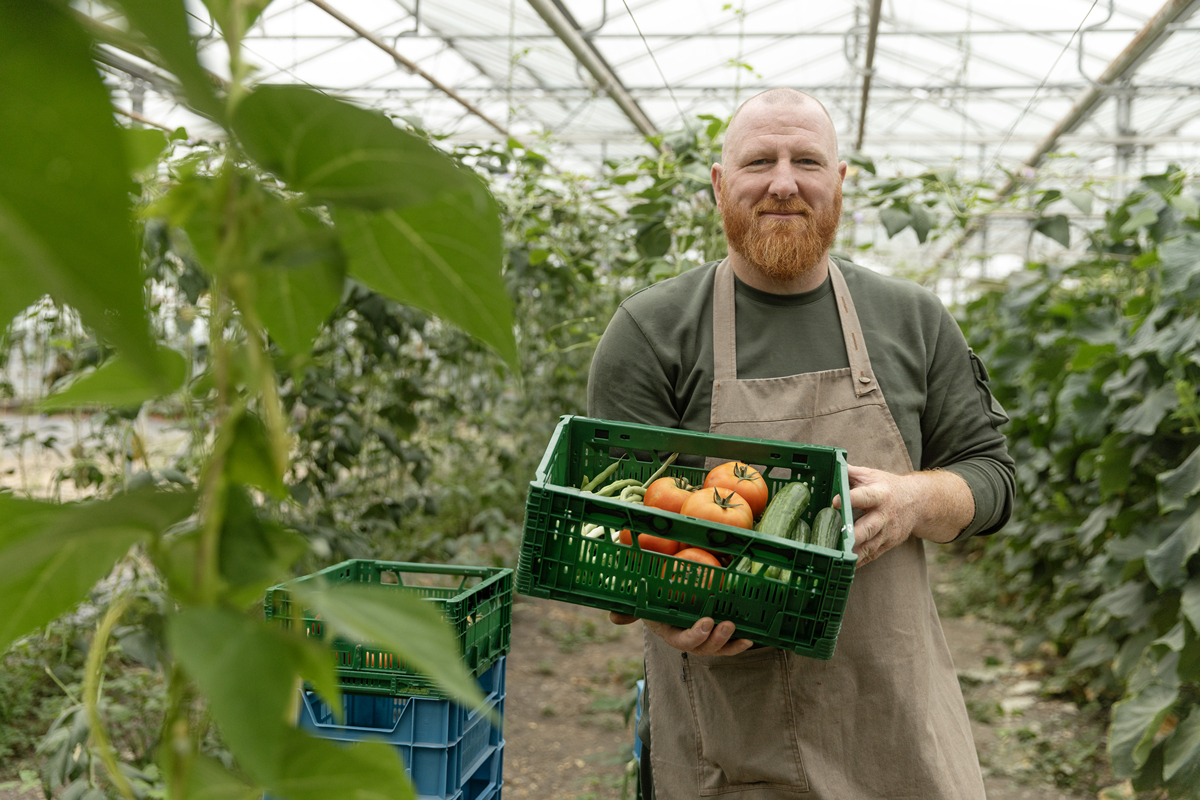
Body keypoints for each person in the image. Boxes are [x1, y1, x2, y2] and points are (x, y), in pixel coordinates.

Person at [586, 88, 1015, 799]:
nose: (784, 182)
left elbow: (993, 479)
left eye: (807, 161)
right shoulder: (651, 331)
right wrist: (661, 614)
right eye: (759, 161)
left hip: (888, 714)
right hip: (728, 719)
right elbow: (608, 531)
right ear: (720, 186)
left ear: (839, 183)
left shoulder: (912, 320)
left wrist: (914, 499)